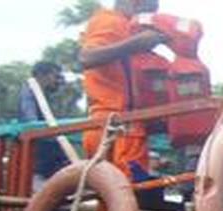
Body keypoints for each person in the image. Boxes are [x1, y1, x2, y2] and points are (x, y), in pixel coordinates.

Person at [78, 0, 166, 178]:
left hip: (126, 126)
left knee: (117, 198)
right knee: (125, 195)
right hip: (114, 126)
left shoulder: (129, 29)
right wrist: (135, 44)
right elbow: (87, 57)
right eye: (147, 12)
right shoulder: (110, 21)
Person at [18, 61, 68, 182]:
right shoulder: (29, 93)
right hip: (38, 165)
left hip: (49, 163)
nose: (58, 81)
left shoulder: (44, 97)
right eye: (55, 76)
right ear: (42, 75)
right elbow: (32, 123)